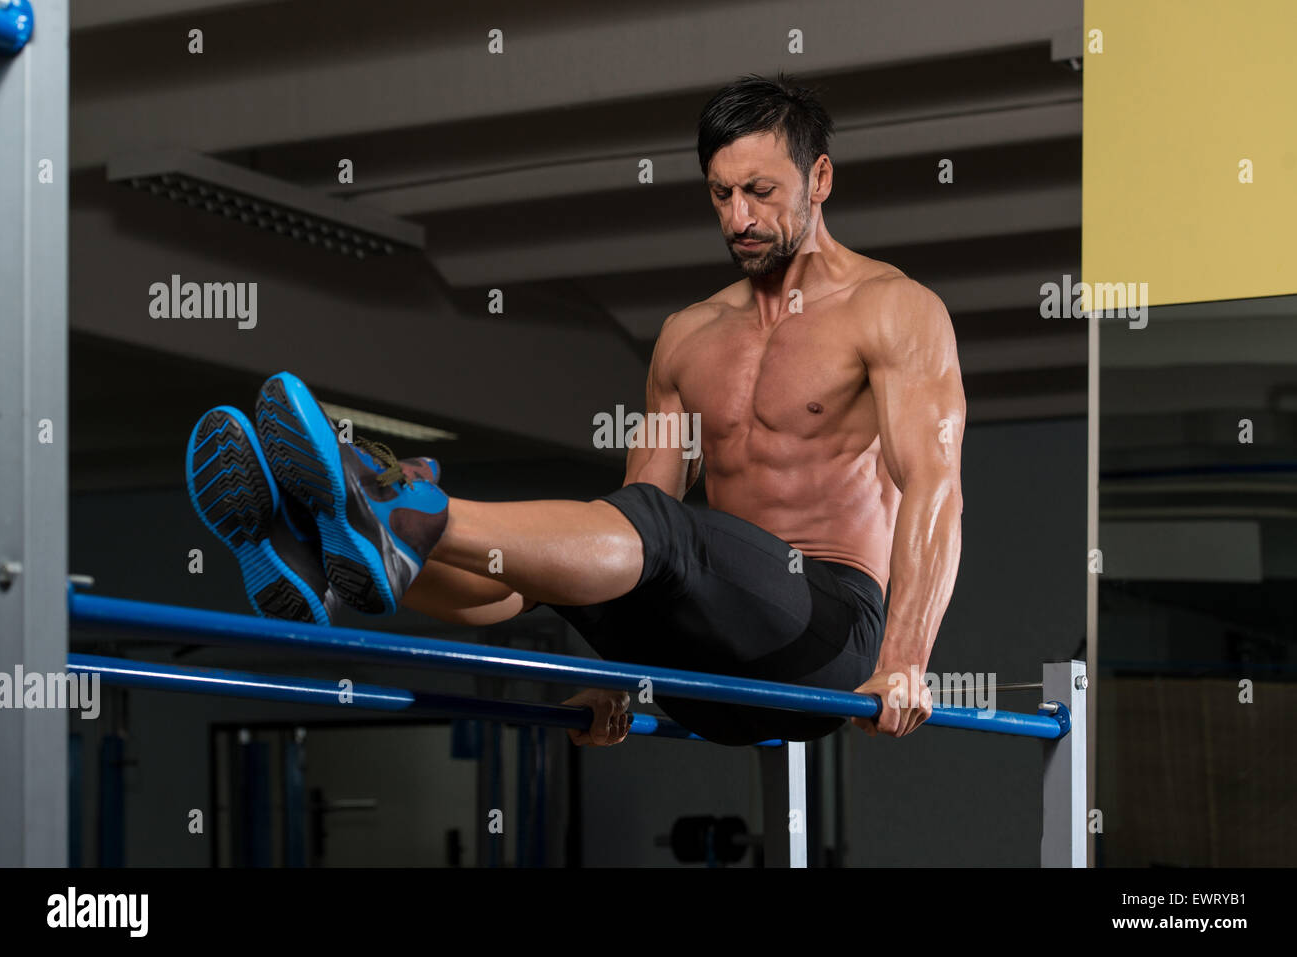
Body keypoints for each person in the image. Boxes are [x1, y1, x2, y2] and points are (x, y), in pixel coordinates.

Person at [185, 74, 965, 748]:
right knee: (560, 557)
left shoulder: (893, 309)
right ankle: (331, 554)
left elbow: (935, 485)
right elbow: (626, 539)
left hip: (823, 645)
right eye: (721, 194)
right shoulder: (687, 337)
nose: (738, 217)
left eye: (761, 191)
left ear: (819, 178)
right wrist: (614, 681)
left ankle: (408, 512)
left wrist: (904, 660)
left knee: (660, 532)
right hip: (705, 675)